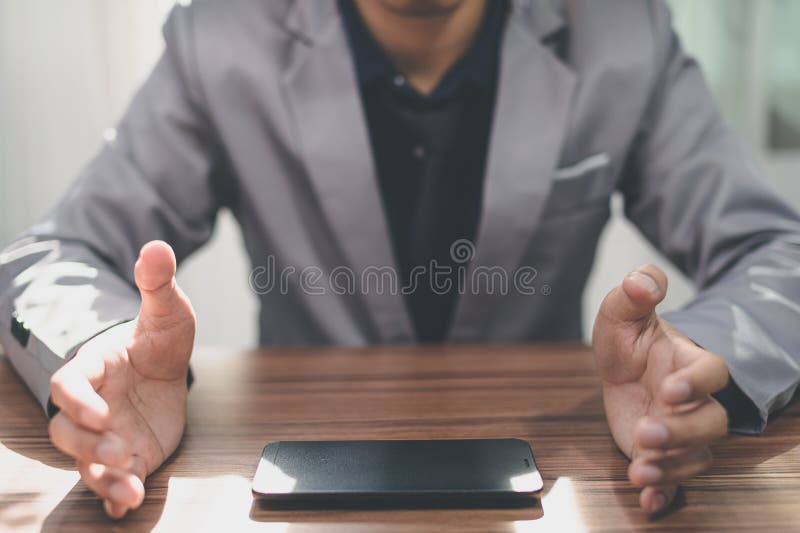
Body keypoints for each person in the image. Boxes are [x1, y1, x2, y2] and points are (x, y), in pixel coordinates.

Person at [1, 0, 798, 519]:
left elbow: (779, 250)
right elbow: (54, 252)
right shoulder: (223, 32)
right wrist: (100, 342)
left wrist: (700, 362)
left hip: (553, 486)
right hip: (300, 488)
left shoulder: (623, 29)